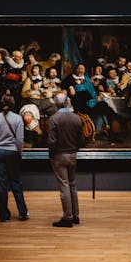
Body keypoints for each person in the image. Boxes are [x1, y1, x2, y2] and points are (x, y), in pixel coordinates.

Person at [0, 94, 29, 222]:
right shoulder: (17, 119)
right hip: (13, 153)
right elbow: (20, 140)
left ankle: (4, 215)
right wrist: (19, 153)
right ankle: (22, 212)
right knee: (16, 182)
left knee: (0, 185)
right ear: (13, 105)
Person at [46, 92, 85, 227]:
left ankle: (67, 217)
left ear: (55, 104)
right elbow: (81, 140)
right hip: (73, 155)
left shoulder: (53, 119)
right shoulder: (76, 118)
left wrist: (51, 155)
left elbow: (51, 141)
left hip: (59, 155)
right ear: (67, 102)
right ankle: (76, 215)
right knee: (72, 184)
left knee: (64, 185)